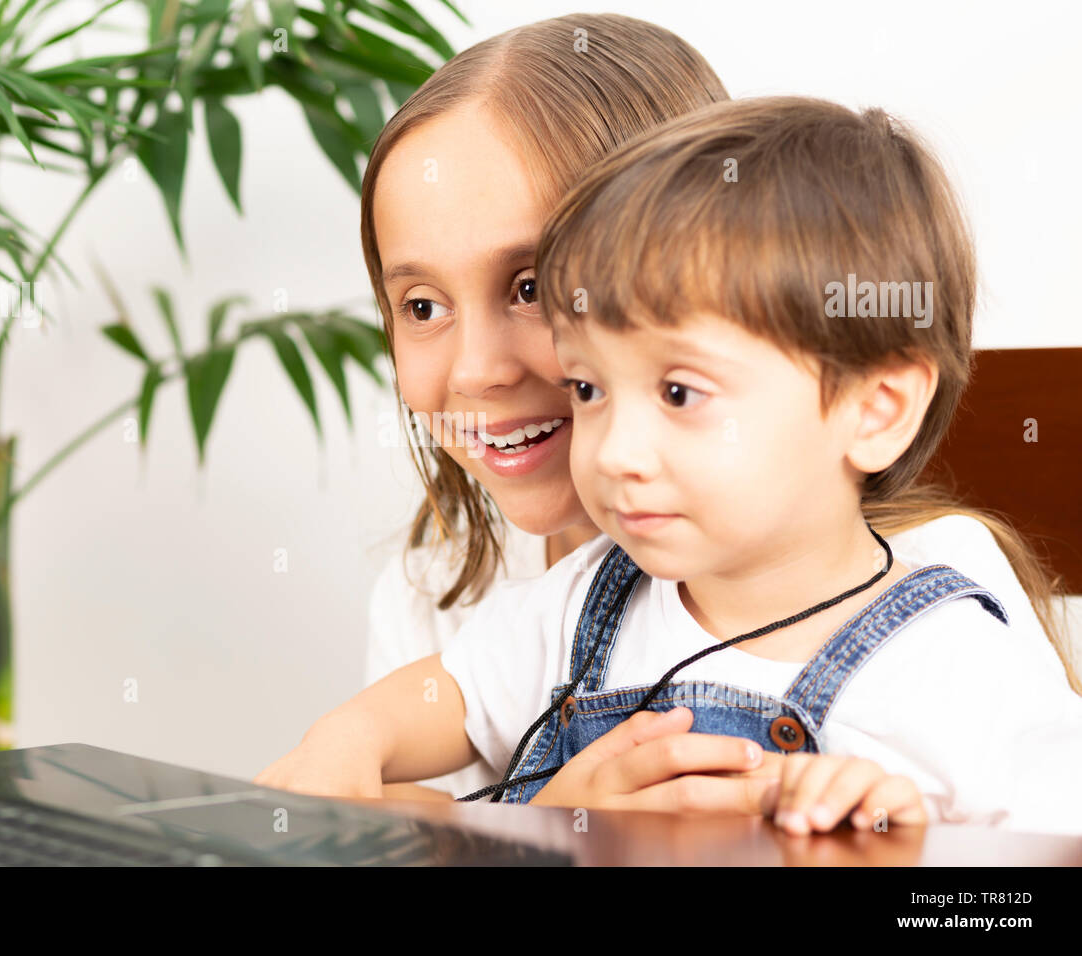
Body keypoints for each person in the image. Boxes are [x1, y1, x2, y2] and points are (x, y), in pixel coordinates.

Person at [258, 95, 1082, 835]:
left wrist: (916, 852)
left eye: (682, 394)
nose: (614, 450)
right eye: (588, 388)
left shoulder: (956, 665)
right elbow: (455, 697)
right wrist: (347, 739)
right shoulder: (591, 597)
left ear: (877, 409)